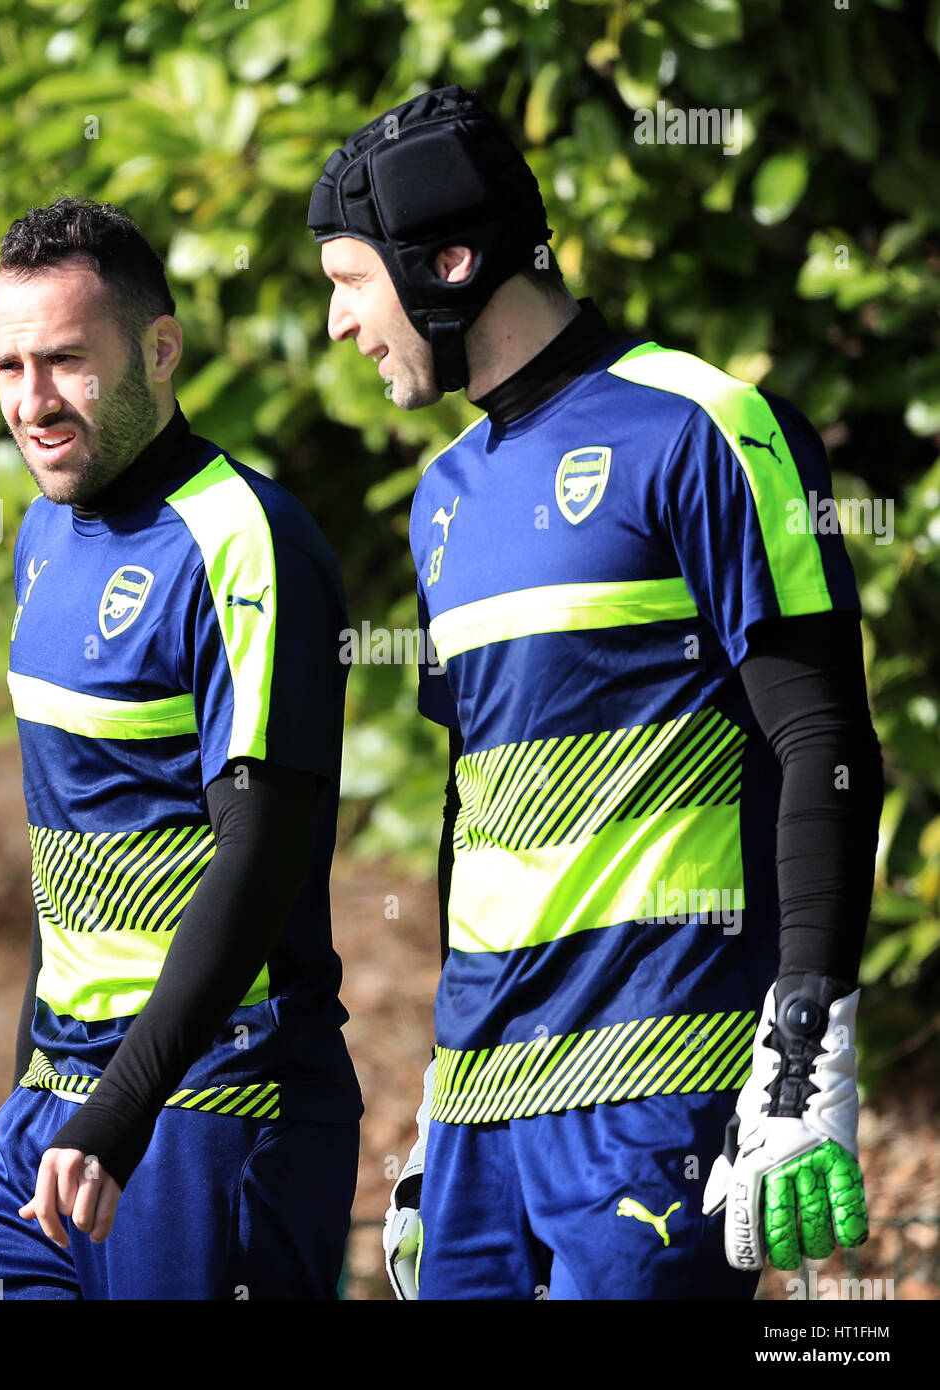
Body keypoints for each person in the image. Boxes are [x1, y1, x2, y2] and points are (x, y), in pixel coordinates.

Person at [309, 86, 883, 1300]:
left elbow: (823, 735)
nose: (336, 324)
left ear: (447, 264)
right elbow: (483, 811)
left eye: (349, 282)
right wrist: (433, 1106)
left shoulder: (706, 426)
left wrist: (802, 1053)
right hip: (479, 1118)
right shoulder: (443, 497)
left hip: (653, 1096)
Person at [0, 197, 361, 1300]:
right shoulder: (38, 533)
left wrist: (123, 1107)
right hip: (58, 1104)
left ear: (160, 350)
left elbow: (259, 855)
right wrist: (38, 1085)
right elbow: (67, 847)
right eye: (8, 367)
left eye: (67, 361)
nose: (32, 403)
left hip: (213, 1103)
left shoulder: (243, 542)